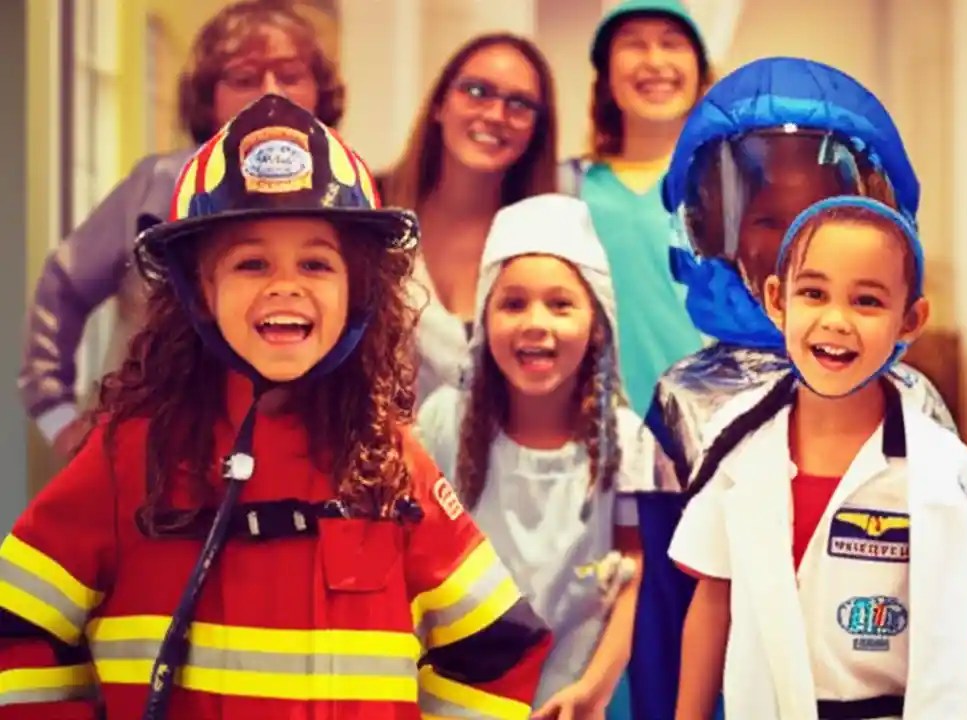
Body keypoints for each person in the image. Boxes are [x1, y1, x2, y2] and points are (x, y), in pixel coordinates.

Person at [0, 95, 549, 719]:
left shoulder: (391, 465)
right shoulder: (129, 456)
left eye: (316, 263)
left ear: (359, 291)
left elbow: (499, 648)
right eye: (250, 262)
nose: (284, 285)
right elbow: (16, 625)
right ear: (200, 293)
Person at [628, 56, 958, 720]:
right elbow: (662, 603)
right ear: (711, 226)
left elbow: (946, 605)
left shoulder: (910, 402)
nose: (798, 243)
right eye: (769, 220)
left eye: (820, 213)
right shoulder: (685, 400)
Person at [670, 195, 967, 719]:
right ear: (777, 300)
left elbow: (959, 618)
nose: (836, 320)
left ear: (910, 319)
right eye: (813, 293)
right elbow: (713, 603)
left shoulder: (942, 463)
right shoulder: (735, 448)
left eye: (867, 301)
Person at [18, 0, 343, 461]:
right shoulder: (160, 185)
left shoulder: (344, 194)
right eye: (244, 79)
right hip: (146, 455)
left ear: (320, 91)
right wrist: (56, 415)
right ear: (208, 98)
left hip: (296, 459)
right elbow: (63, 286)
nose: (270, 94)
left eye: (289, 75)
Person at [416, 194, 677, 720]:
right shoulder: (443, 423)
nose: (537, 323)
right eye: (513, 304)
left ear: (597, 322)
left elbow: (638, 572)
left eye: (561, 304)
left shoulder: (627, 442)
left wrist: (595, 689)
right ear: (484, 319)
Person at [381, 34, 558, 403]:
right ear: (440, 105)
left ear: (536, 131)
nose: (495, 115)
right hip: (378, 457)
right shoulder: (371, 213)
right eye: (477, 91)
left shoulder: (547, 242)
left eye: (520, 103)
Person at [560, 0, 711, 419]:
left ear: (700, 69)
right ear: (606, 76)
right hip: (595, 438)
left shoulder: (731, 185)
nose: (655, 60)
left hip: (712, 433)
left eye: (672, 43)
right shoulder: (567, 187)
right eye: (634, 45)